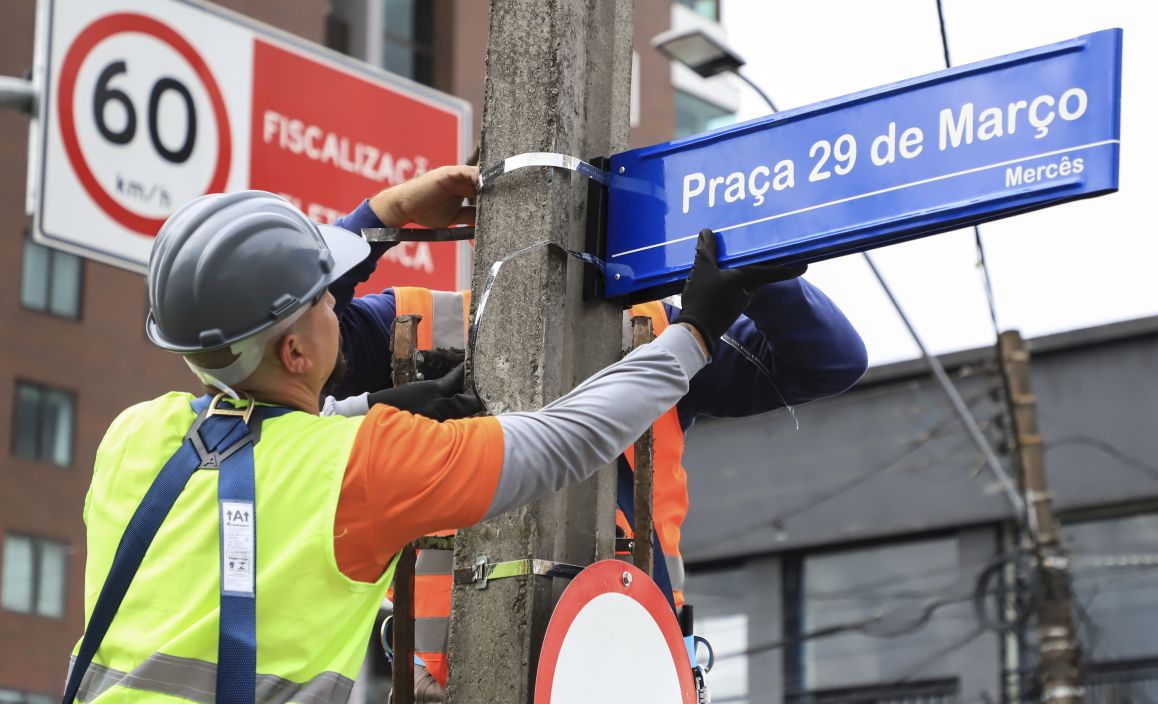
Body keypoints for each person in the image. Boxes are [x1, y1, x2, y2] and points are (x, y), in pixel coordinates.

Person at [63, 168, 802, 704]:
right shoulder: (366, 466)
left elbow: (257, 458)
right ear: (295, 354)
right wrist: (695, 333)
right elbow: (563, 440)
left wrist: (378, 219)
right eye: (325, 298)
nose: (338, 304)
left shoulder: (132, 436)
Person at [322, 167, 868, 698]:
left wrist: (748, 268)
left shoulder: (657, 329)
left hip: (631, 670)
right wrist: (381, 216)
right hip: (451, 682)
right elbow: (289, 333)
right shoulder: (415, 322)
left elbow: (830, 362)